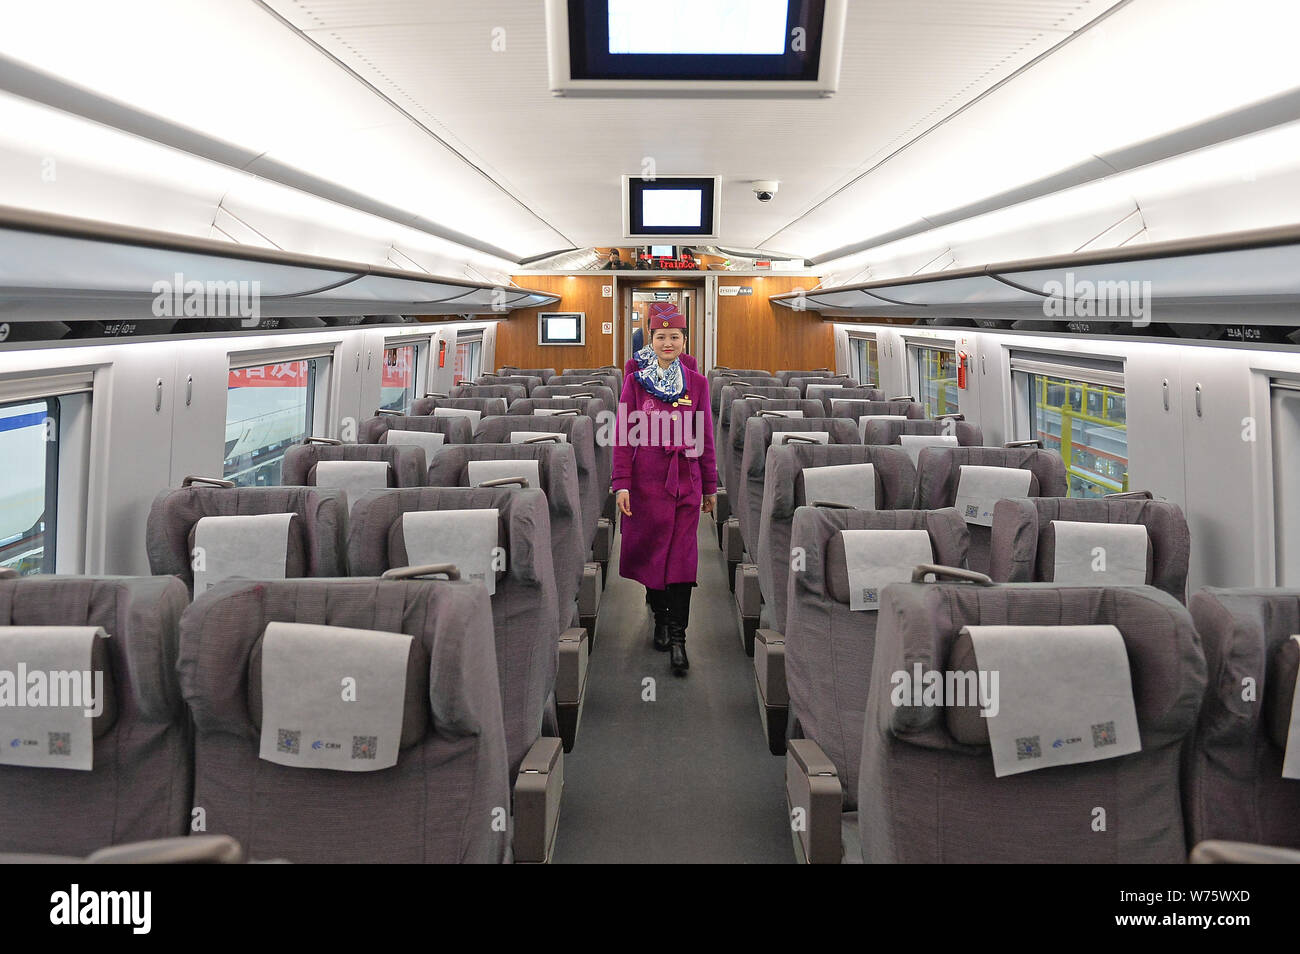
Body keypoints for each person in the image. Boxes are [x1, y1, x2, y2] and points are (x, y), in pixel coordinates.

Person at [612, 302, 717, 675]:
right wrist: (621, 484)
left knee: (683, 559)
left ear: (684, 339)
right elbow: (624, 436)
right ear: (651, 340)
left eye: (675, 336)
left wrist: (710, 487)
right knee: (653, 553)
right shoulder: (635, 382)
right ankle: (659, 614)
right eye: (661, 337)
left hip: (685, 480)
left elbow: (704, 437)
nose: (668, 342)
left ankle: (678, 637)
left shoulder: (699, 384)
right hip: (646, 482)